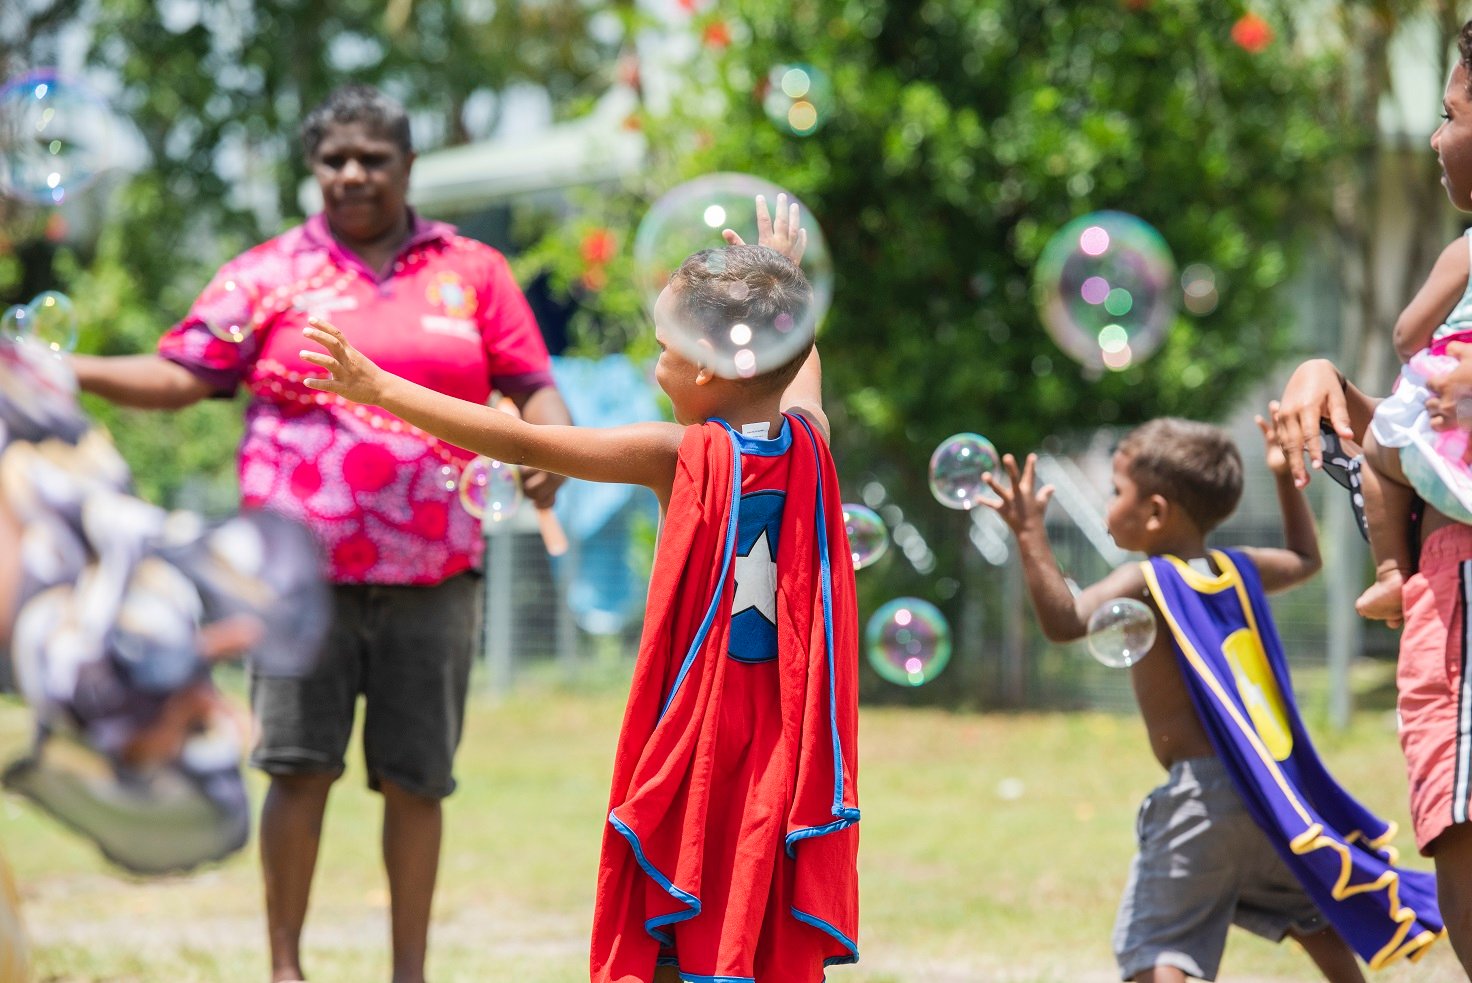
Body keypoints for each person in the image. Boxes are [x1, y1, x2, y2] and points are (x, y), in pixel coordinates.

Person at [68, 83, 572, 983]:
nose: (352, 174)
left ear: (408, 166)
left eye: (373, 158)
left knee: (419, 779)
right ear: (313, 171)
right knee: (297, 768)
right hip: (295, 582)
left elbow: (533, 381)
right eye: (335, 159)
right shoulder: (267, 274)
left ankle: (408, 973)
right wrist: (59, 371)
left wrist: (554, 444)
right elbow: (184, 374)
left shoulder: (472, 270)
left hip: (438, 571)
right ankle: (285, 969)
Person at [298, 201, 859, 983]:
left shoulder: (678, 454)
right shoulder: (813, 445)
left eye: (661, 349)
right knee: (754, 924)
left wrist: (376, 385)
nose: (651, 365)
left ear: (704, 367)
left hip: (695, 748)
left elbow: (528, 440)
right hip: (777, 752)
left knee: (672, 909)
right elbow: (803, 374)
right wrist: (781, 286)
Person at [983, 416, 1441, 981]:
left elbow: (1064, 620)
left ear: (1154, 513)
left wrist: (1029, 533)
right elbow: (1306, 559)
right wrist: (1281, 478)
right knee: (1304, 911)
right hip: (1268, 797)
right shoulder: (1238, 569)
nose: (1109, 502)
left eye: (1116, 490)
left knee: (1160, 943)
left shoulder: (1146, 580)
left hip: (1200, 798)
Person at [1272, 24, 1472, 975]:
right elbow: (1417, 433)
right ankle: (1394, 573)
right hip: (1444, 594)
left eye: (1454, 115)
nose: (1437, 139)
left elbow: (1412, 353)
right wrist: (1333, 386)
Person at [1349, 223, 1472, 629]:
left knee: (1376, 450)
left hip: (1436, 444)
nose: (1434, 152)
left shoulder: (1467, 248)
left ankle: (1390, 573)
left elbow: (1406, 337)